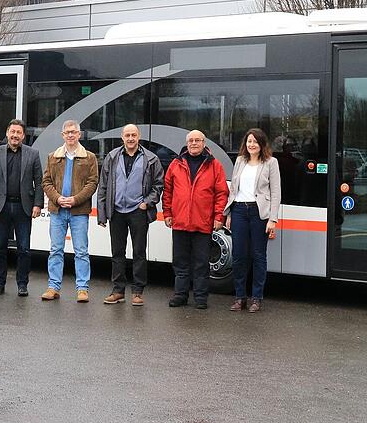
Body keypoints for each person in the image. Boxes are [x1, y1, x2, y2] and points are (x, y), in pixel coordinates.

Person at [97, 124, 165, 306]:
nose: (130, 138)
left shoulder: (151, 159)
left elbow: (159, 185)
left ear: (138, 136)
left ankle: (137, 292)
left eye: (133, 135)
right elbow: (103, 186)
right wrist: (102, 213)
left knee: (139, 252)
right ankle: (118, 291)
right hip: (116, 211)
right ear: (122, 137)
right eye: (127, 135)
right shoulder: (112, 157)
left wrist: (147, 203)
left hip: (138, 211)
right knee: (117, 253)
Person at [163, 130, 228, 309]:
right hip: (180, 222)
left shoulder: (214, 165)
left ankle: (200, 297)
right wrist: (167, 213)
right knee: (180, 263)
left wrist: (219, 216)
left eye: (197, 140)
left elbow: (221, 193)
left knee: (201, 264)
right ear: (187, 143)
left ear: (204, 143)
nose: (193, 143)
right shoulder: (176, 164)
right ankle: (180, 295)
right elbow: (167, 191)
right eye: (191, 140)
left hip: (203, 223)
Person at [0, 119, 44, 297]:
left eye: (19, 132)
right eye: (12, 131)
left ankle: (22, 285)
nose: (15, 135)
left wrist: (38, 204)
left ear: (23, 136)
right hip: (1, 207)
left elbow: (39, 182)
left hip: (24, 207)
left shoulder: (33, 154)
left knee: (24, 249)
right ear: (7, 133)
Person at [41, 120, 98, 302]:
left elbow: (92, 183)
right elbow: (46, 182)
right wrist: (57, 198)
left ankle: (82, 289)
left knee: (81, 251)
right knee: (55, 250)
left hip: (79, 211)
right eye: (67, 132)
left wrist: (75, 199)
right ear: (63, 135)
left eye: (74, 132)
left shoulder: (89, 157)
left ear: (79, 134)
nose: (71, 135)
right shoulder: (53, 157)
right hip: (57, 210)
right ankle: (53, 287)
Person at [224, 128, 281, 313]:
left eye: (255, 141)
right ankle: (240, 297)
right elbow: (234, 189)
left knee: (258, 256)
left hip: (259, 213)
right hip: (239, 210)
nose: (252, 144)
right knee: (239, 256)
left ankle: (256, 298)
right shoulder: (240, 160)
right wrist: (230, 214)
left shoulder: (271, 162)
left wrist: (272, 219)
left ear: (262, 144)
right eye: (249, 141)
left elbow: (276, 192)